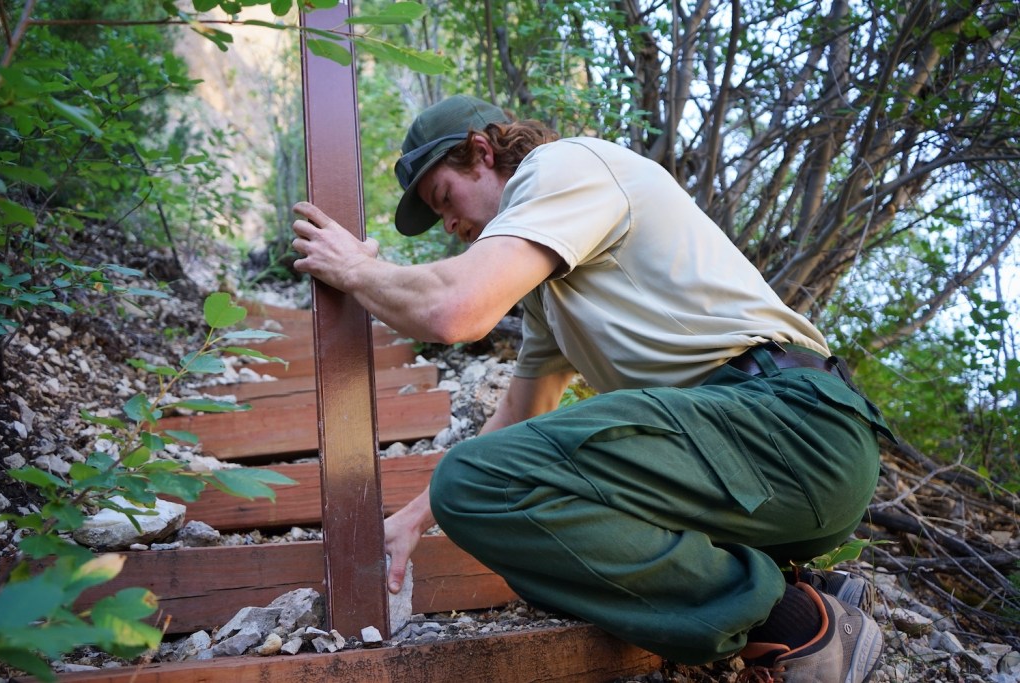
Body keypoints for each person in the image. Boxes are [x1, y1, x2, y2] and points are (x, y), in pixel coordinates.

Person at [290, 95, 895, 681]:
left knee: (476, 483)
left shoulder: (564, 167)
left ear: (482, 151)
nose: (450, 225)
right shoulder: (553, 290)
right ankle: (793, 583)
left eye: (445, 198)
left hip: (794, 430)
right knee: (490, 497)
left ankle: (794, 621)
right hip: (763, 475)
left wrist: (357, 269)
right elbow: (519, 415)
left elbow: (455, 309)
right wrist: (416, 518)